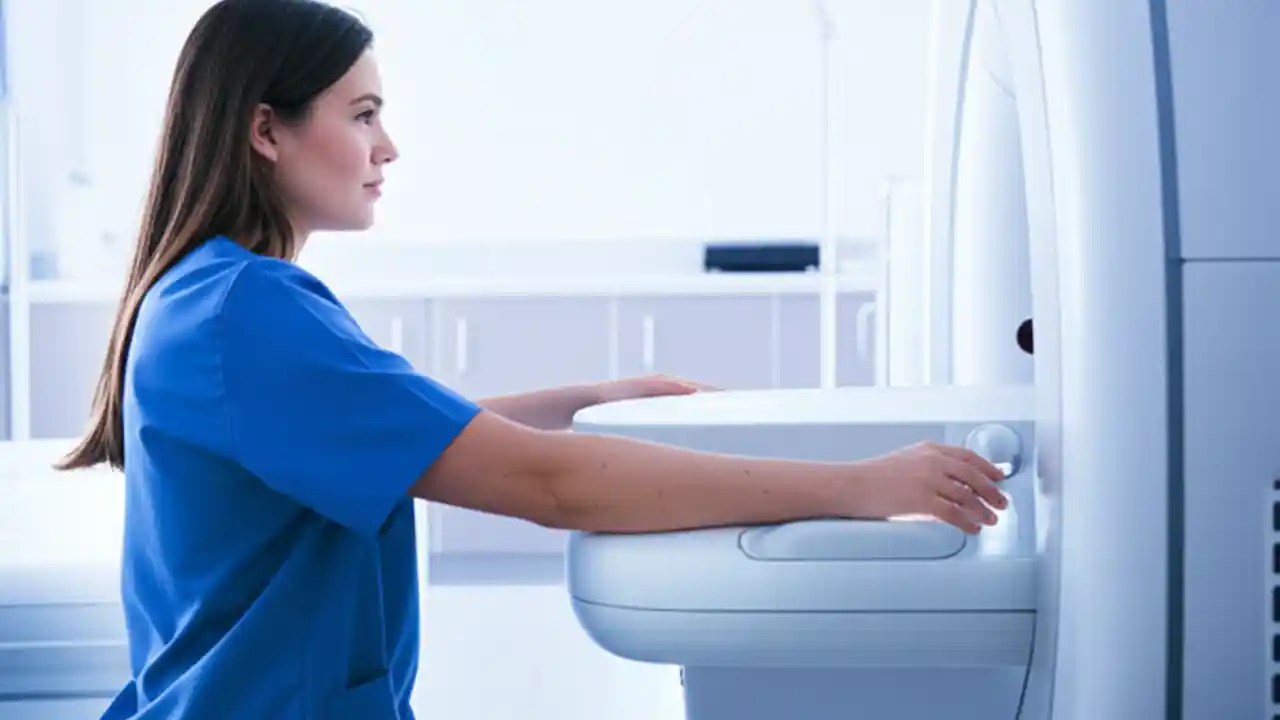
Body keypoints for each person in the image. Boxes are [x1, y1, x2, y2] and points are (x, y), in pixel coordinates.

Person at [55, 1, 1007, 717]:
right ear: (266, 129)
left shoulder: (204, 293)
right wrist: (858, 486)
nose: (389, 146)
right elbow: (553, 488)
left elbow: (389, 428)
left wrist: (590, 396)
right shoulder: (250, 309)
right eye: (363, 114)